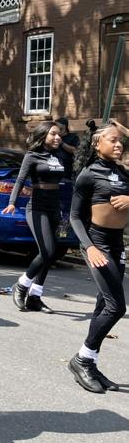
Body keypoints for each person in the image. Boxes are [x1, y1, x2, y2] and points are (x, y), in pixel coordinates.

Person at [67, 122, 127, 393]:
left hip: (117, 244)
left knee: (103, 306)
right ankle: (82, 358)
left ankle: (89, 362)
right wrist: (89, 247)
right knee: (116, 307)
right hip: (97, 242)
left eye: (121, 141)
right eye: (112, 140)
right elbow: (75, 217)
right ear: (96, 144)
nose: (118, 145)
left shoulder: (125, 173)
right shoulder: (88, 175)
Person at [2, 122, 65, 313]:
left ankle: (35, 297)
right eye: (53, 134)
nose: (58, 137)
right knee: (47, 250)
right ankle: (22, 285)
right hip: (37, 208)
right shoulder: (32, 156)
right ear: (43, 135)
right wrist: (12, 202)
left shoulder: (59, 156)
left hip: (54, 207)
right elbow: (21, 179)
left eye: (59, 134)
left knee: (51, 254)